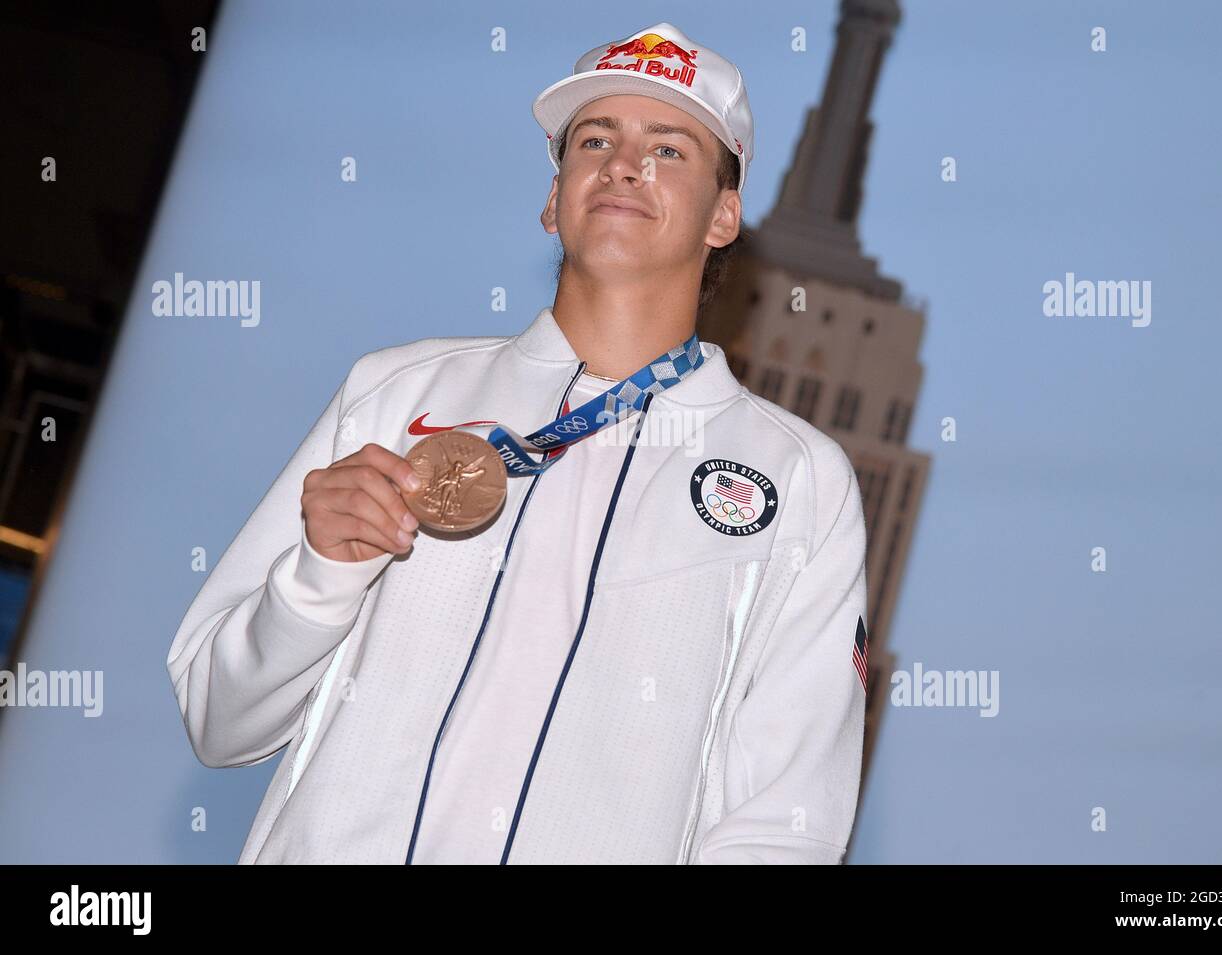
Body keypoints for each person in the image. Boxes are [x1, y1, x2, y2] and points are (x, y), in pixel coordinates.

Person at [167, 20, 870, 864]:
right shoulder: (396, 393)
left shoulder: (797, 480)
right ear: (552, 198)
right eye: (595, 139)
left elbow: (783, 822)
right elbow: (217, 719)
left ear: (725, 216)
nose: (623, 163)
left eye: (670, 148)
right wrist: (320, 577)